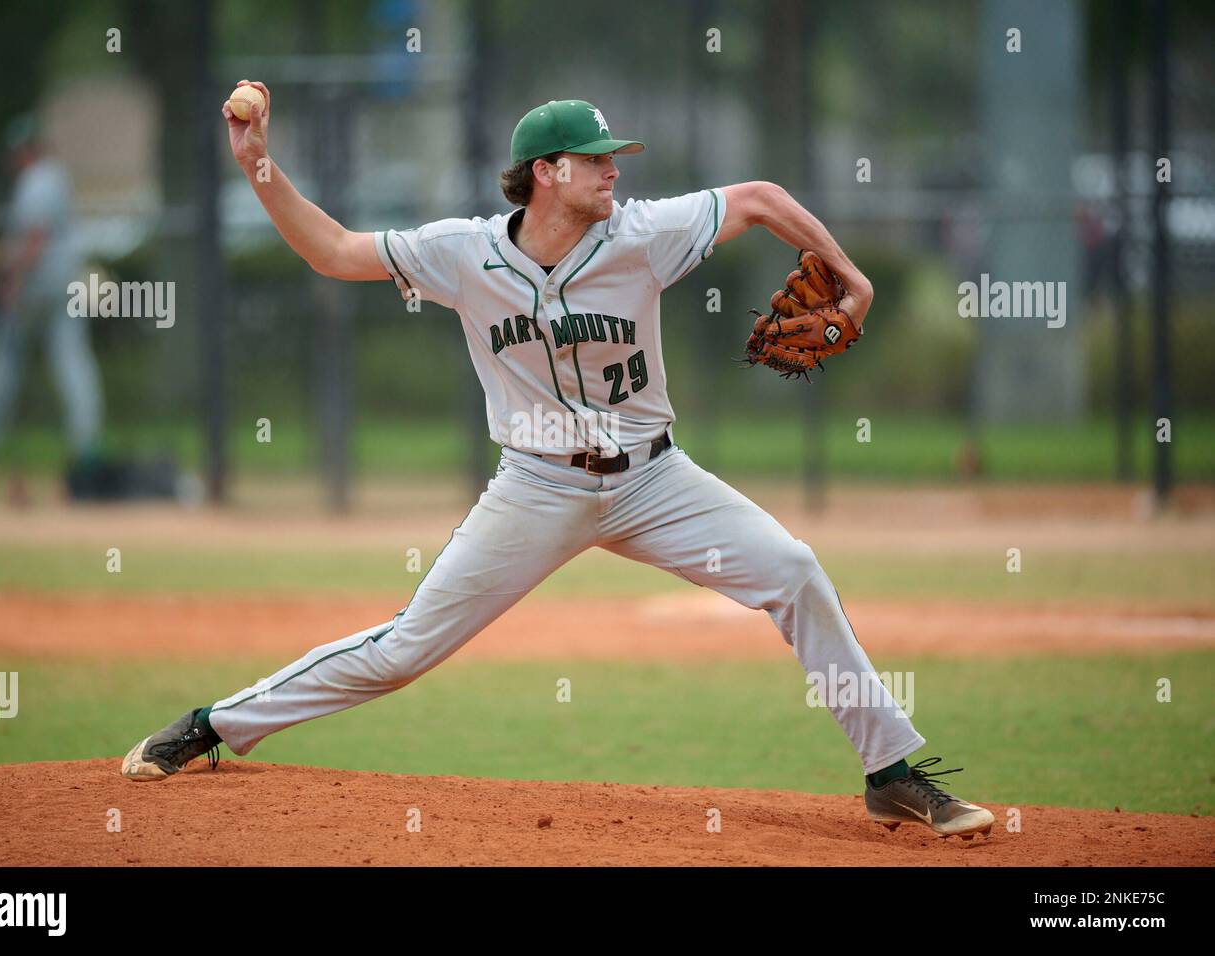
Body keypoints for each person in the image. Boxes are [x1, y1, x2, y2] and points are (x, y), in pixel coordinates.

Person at [120, 87, 994, 840]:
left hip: (656, 481)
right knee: (403, 651)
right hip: (537, 488)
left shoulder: (643, 235)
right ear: (547, 172)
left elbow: (760, 198)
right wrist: (258, 164)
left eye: (615, 158)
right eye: (596, 159)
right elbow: (333, 251)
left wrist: (849, 275)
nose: (615, 171)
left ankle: (891, 774)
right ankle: (212, 723)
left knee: (796, 572)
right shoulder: (463, 252)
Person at [0, 114, 103, 467]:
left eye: (15, 150)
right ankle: (86, 442)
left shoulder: (37, 181)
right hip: (65, 286)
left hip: (37, 290)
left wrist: (12, 283)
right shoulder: (54, 176)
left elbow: (34, 241)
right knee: (72, 361)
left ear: (26, 150)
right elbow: (25, 240)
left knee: (4, 359)